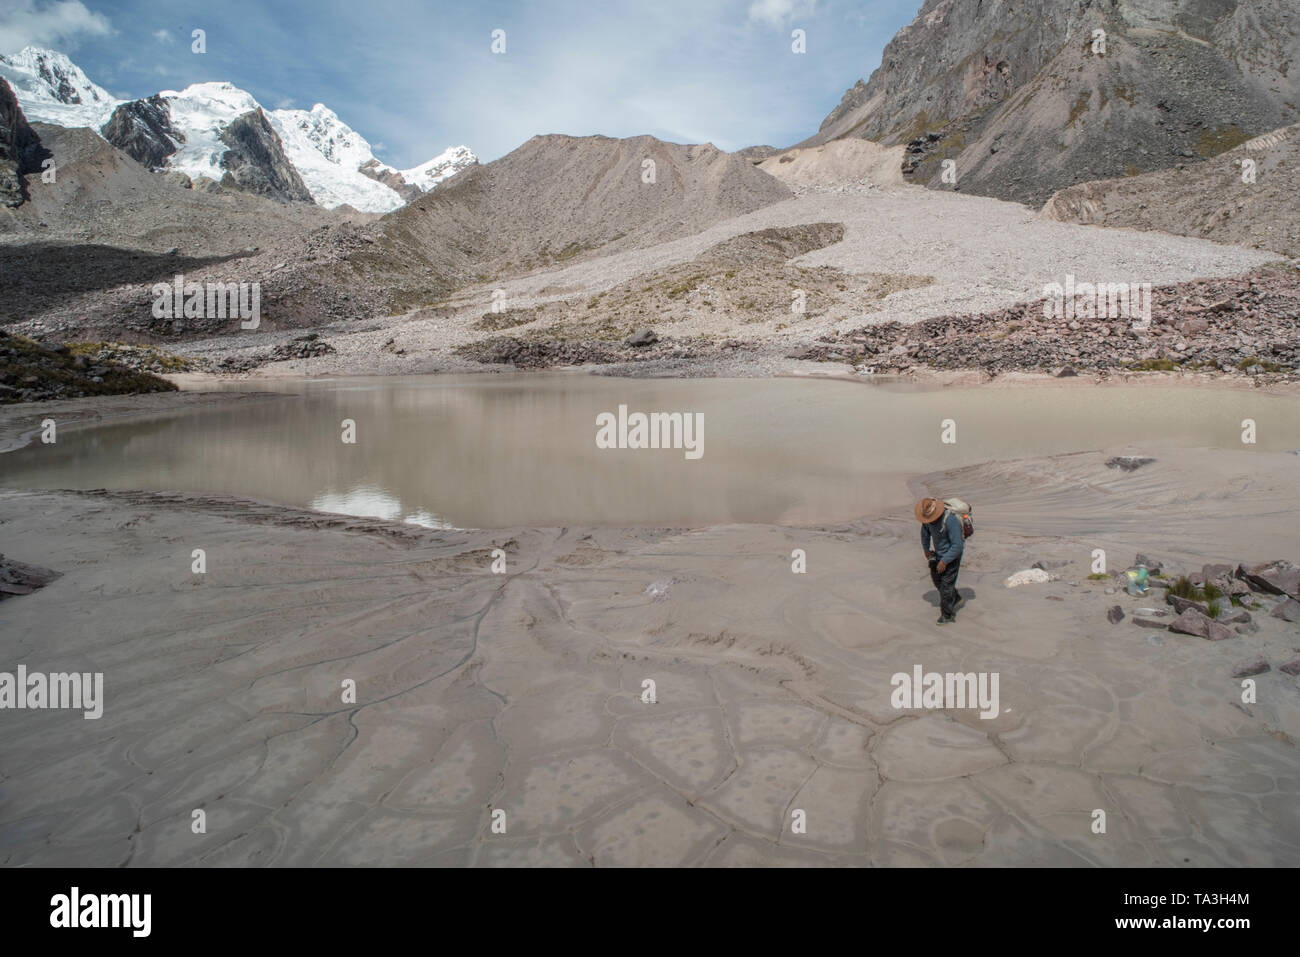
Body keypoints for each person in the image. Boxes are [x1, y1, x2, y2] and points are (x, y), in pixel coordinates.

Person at [915, 497, 964, 625]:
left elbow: (958, 546)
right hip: (938, 554)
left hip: (952, 555)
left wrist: (945, 561)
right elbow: (925, 534)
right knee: (937, 580)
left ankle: (947, 615)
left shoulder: (950, 520)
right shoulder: (927, 520)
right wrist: (926, 550)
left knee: (946, 586)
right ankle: (956, 598)